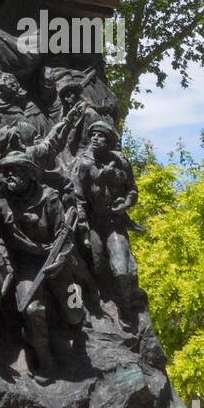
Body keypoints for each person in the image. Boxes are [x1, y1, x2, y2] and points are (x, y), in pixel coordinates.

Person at [0, 153, 84, 383]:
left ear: (29, 174)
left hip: (56, 259)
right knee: (31, 309)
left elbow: (66, 236)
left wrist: (59, 262)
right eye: (7, 171)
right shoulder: (0, 202)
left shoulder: (49, 198)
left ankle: (75, 334)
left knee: (75, 313)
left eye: (16, 170)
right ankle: (45, 359)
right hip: (27, 265)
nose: (10, 176)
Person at [71, 121, 141, 330]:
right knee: (99, 265)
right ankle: (94, 307)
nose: (95, 138)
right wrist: (82, 223)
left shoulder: (120, 162)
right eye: (92, 135)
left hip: (114, 223)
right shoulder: (85, 164)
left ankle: (125, 307)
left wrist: (126, 203)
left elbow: (132, 191)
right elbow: (79, 197)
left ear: (109, 141)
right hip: (94, 224)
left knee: (120, 270)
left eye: (100, 136)